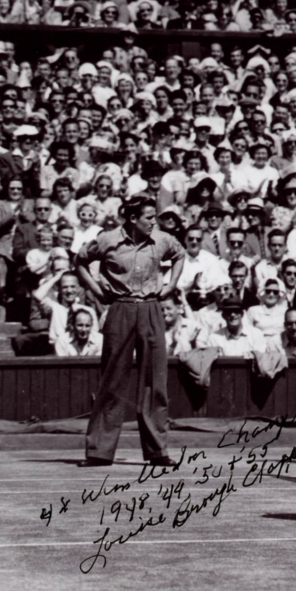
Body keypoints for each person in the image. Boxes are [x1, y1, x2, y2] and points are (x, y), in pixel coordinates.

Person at [75, 194, 186, 467]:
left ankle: (158, 451)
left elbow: (180, 255)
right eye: (149, 217)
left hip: (151, 309)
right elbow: (80, 261)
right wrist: (97, 290)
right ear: (133, 218)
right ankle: (99, 452)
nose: (153, 222)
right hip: (120, 309)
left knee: (155, 381)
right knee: (112, 379)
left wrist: (171, 286)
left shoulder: (161, 239)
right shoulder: (108, 239)